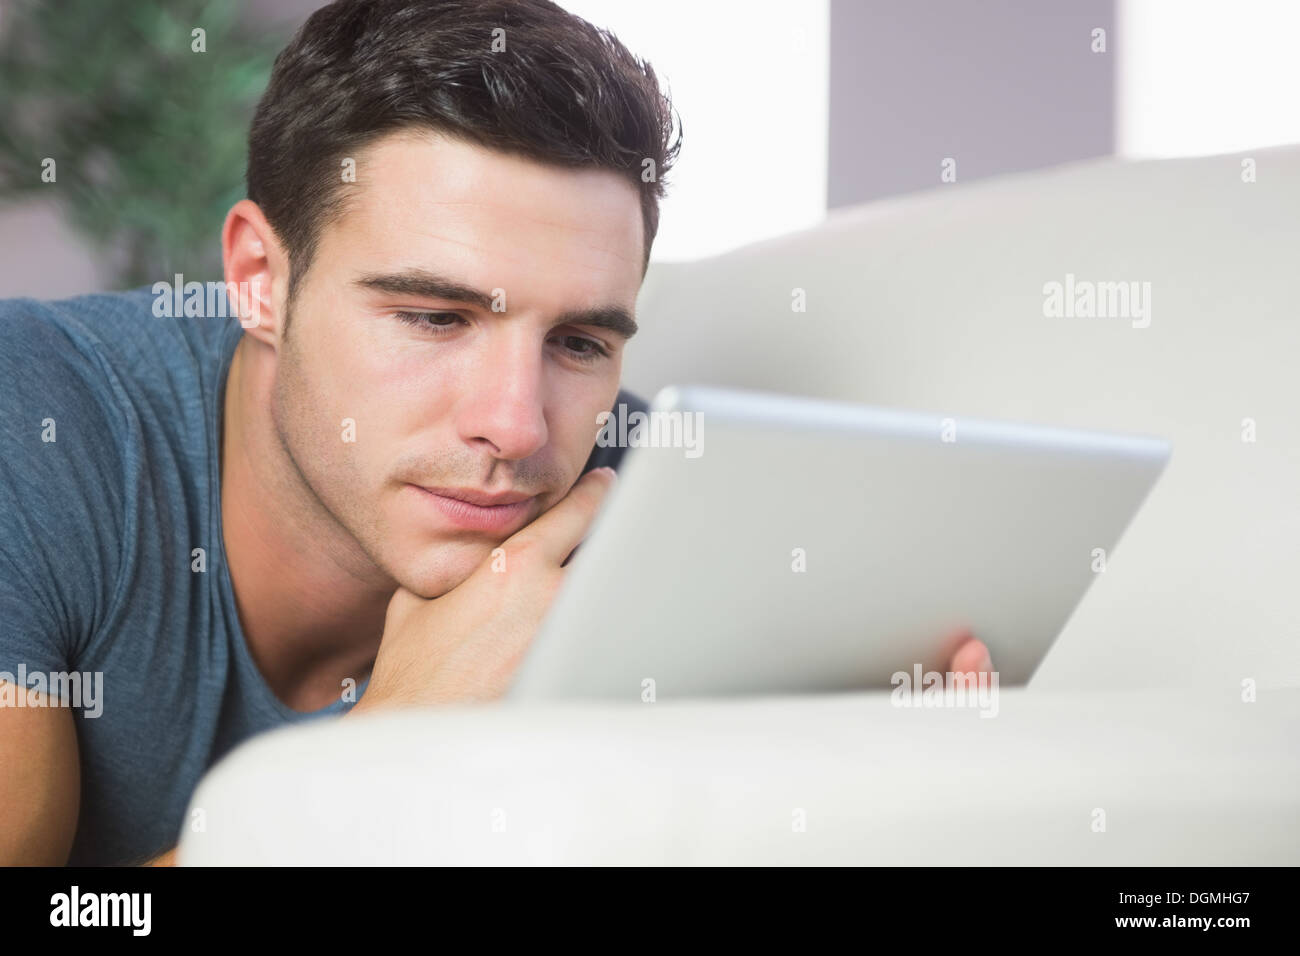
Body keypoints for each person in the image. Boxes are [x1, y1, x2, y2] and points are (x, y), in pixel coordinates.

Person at [0, 0, 992, 866]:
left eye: (578, 341)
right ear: (260, 276)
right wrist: (375, 755)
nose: (516, 428)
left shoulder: (656, 507)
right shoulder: (38, 429)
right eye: (435, 318)